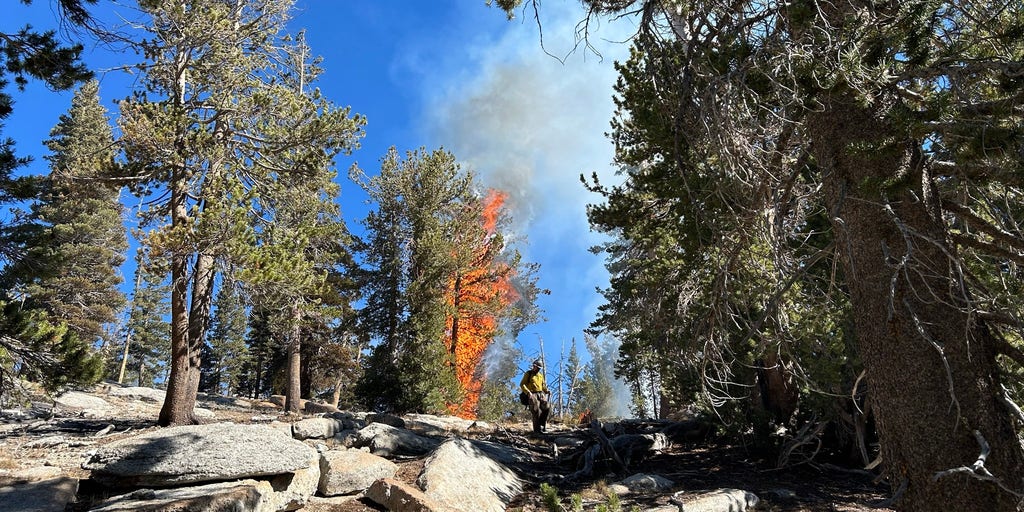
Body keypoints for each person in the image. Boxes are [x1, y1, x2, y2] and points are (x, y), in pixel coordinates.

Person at [520, 359, 550, 434]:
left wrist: (547, 391)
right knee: (535, 411)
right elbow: (522, 384)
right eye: (536, 367)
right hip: (532, 394)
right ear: (533, 366)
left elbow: (543, 385)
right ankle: (537, 430)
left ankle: (543, 426)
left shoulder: (540, 375)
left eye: (539, 368)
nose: (537, 369)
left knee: (546, 407)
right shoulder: (528, 373)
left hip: (541, 394)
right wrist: (528, 392)